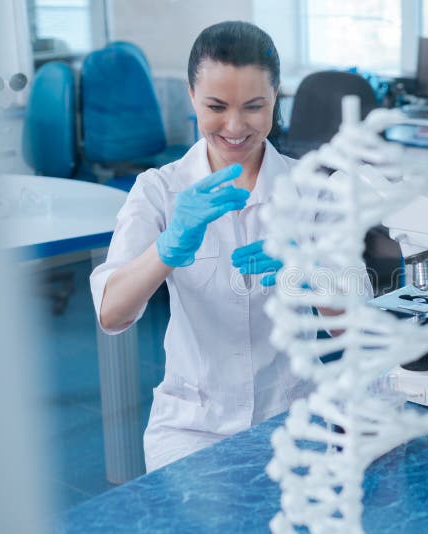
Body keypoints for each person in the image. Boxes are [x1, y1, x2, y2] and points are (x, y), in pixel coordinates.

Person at [91, 21, 312, 472]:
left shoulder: (313, 189)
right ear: (192, 96)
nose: (234, 126)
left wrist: (314, 270)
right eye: (216, 106)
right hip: (192, 425)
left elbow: (355, 324)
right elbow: (111, 314)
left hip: (295, 418)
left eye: (254, 106)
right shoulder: (157, 191)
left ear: (275, 101)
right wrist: (166, 248)